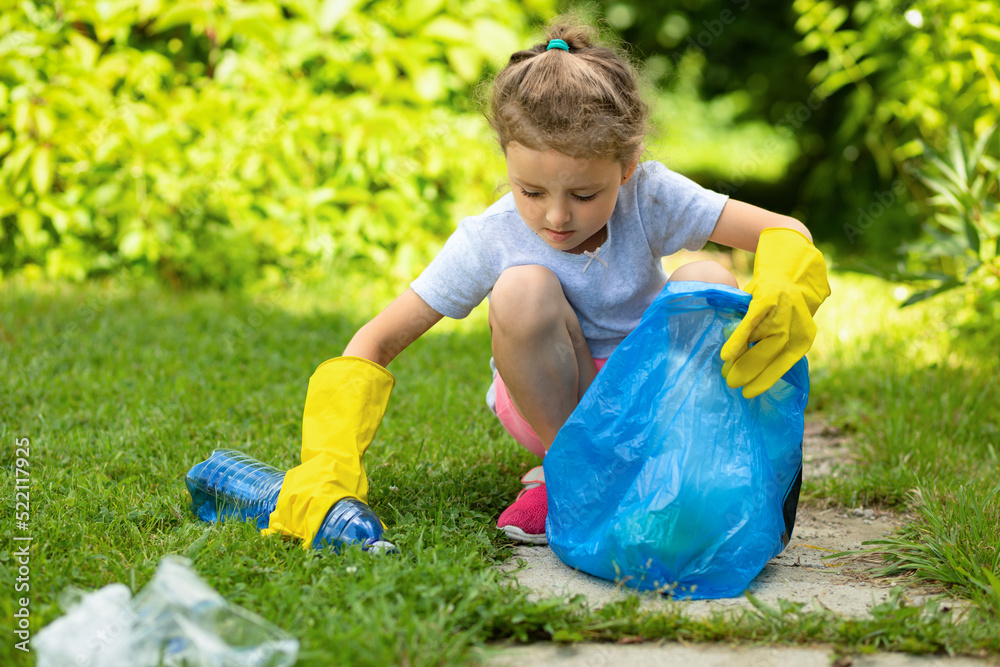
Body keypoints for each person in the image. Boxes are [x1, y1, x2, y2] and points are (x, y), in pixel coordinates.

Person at [262, 22, 831, 550]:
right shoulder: (492, 237)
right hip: (555, 390)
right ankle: (571, 474)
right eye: (530, 191)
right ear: (507, 159)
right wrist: (327, 466)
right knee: (519, 289)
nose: (556, 217)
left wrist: (785, 284)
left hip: (652, 390)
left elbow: (787, 231)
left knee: (707, 276)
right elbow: (375, 341)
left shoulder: (650, 194)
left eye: (584, 195)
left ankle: (678, 466)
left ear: (628, 163)